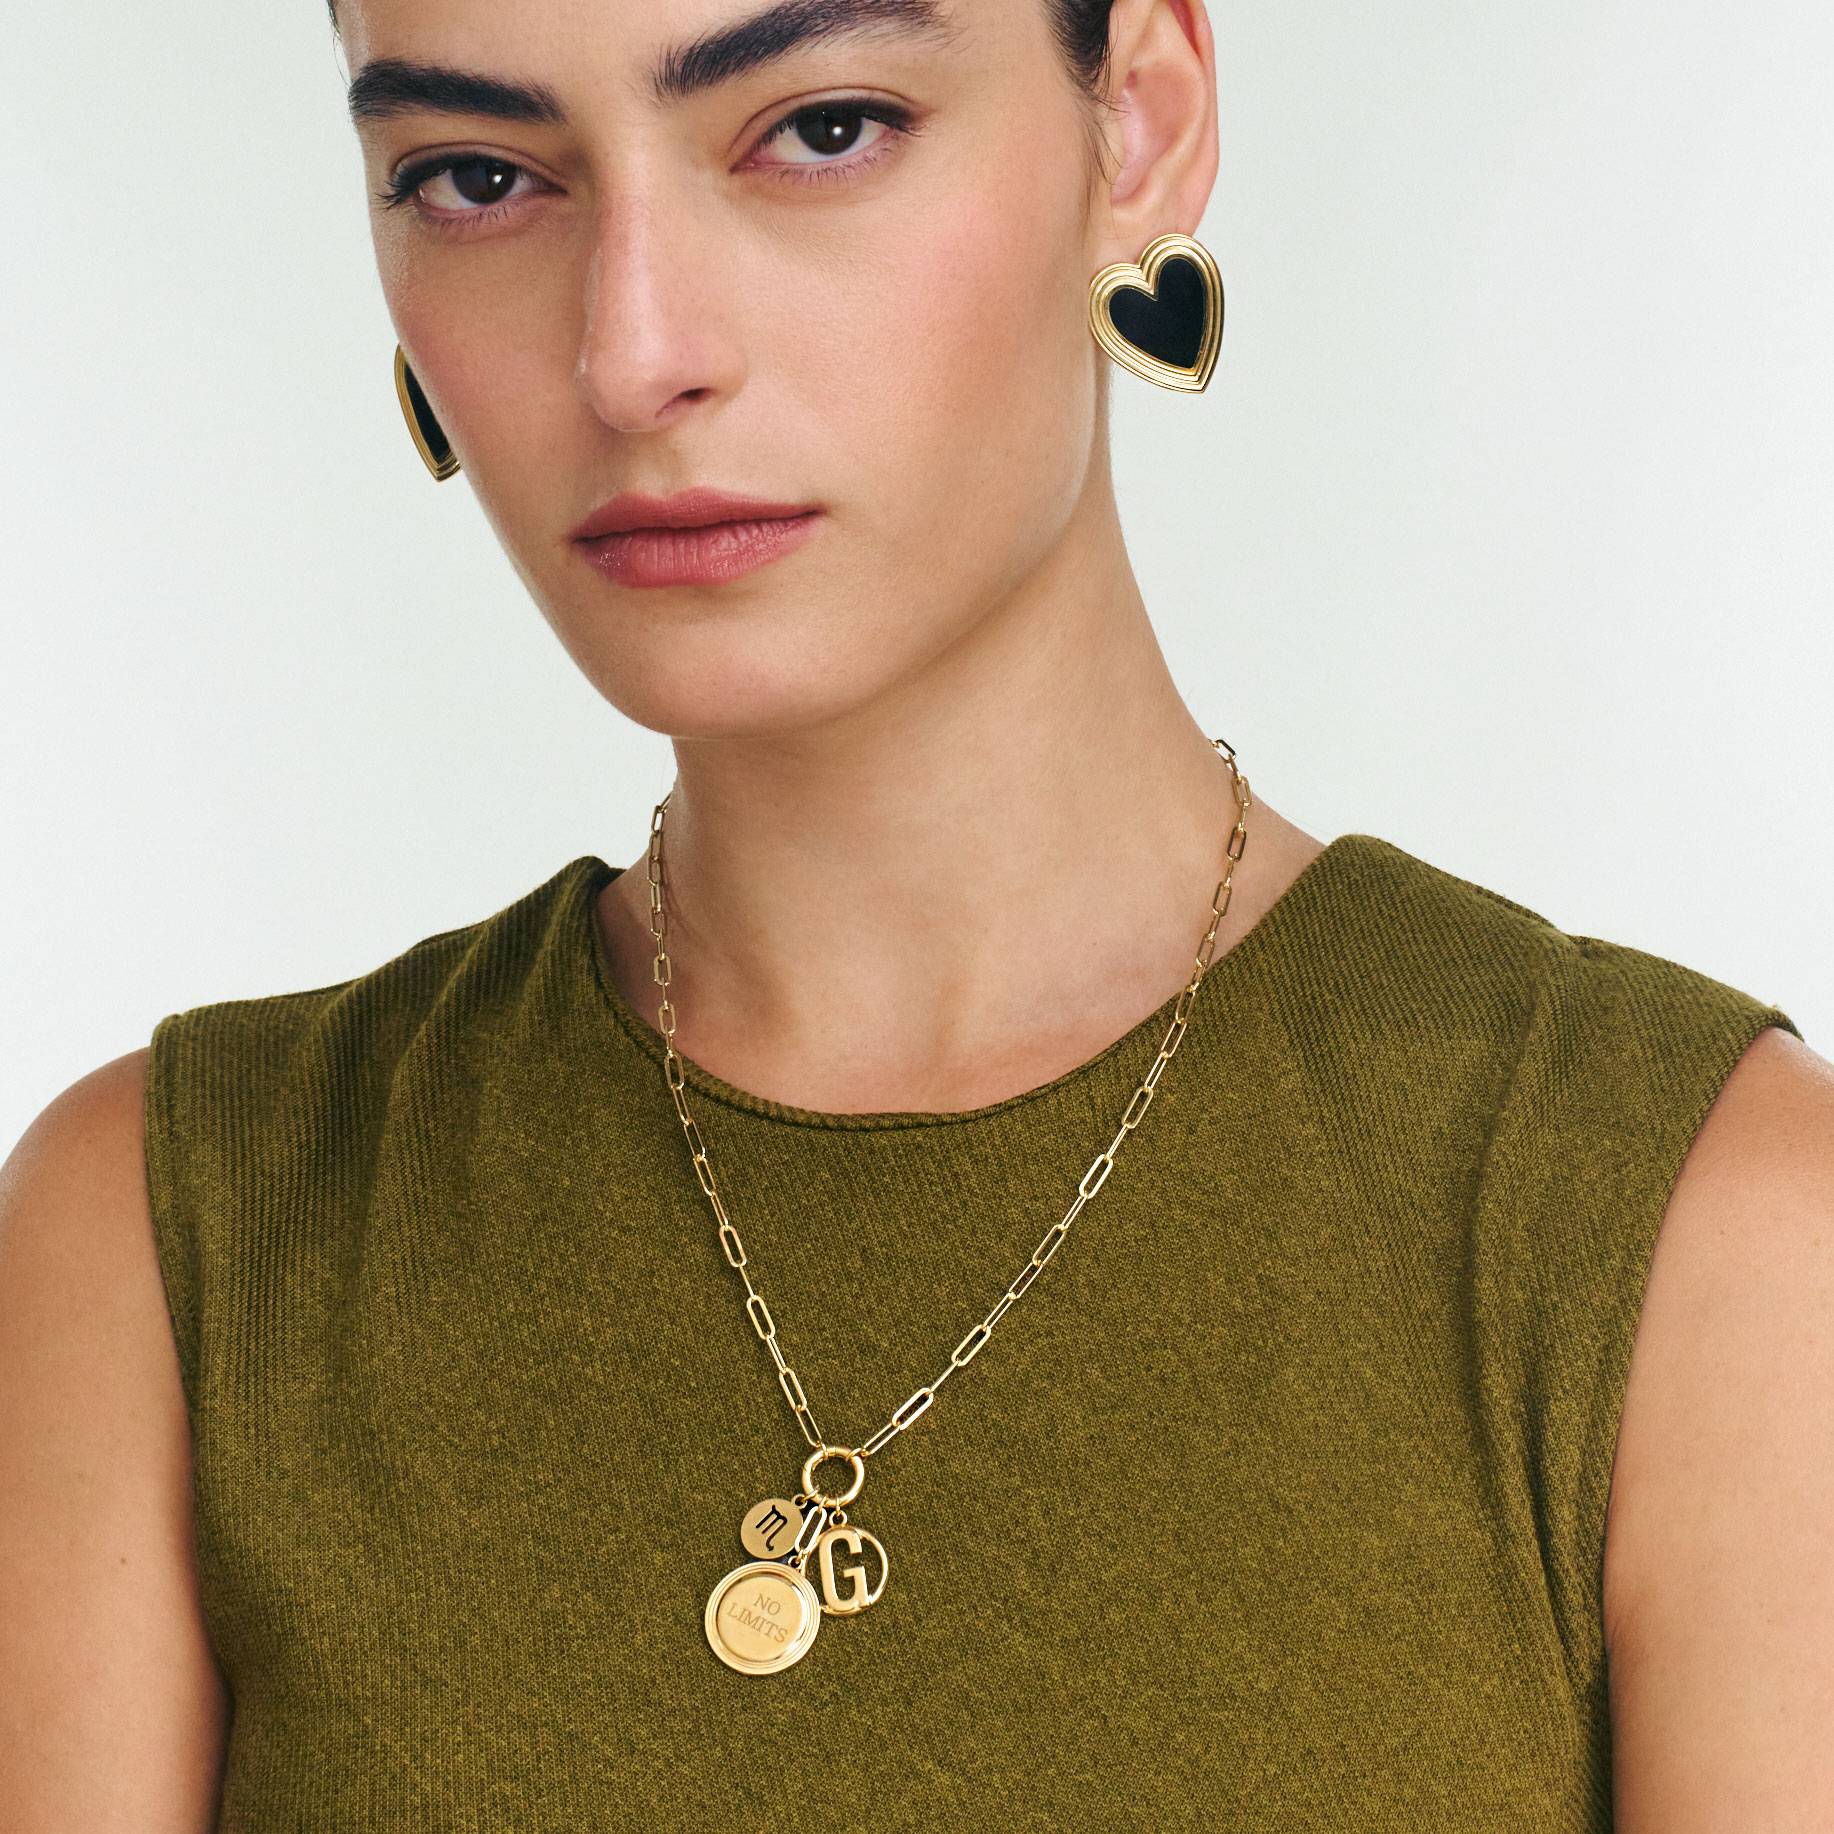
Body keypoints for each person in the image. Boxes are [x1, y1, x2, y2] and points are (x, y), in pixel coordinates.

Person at [3, 0, 1829, 1825]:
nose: (633, 356)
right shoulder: (167, 1246)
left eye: (821, 130)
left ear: (1139, 126)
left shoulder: (1697, 1237)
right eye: (476, 178)